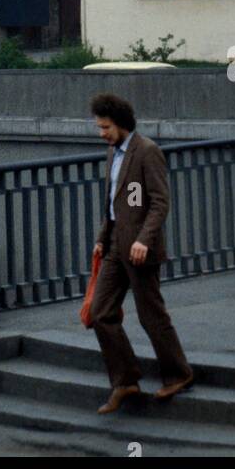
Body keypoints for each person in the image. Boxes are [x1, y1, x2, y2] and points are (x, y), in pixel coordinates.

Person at [88, 93, 193, 412]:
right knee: (99, 313)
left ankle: (178, 374)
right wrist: (102, 237)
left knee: (151, 315)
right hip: (115, 245)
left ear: (120, 124)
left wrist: (144, 239)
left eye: (105, 127)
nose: (101, 133)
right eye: (99, 127)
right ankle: (126, 381)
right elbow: (112, 202)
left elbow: (160, 202)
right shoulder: (112, 153)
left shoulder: (147, 151)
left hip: (139, 248)